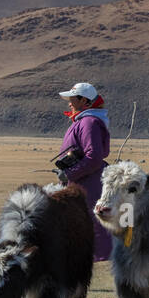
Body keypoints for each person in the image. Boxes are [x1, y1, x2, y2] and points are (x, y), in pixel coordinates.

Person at [56, 82, 113, 262]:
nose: (69, 103)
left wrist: (70, 173)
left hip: (88, 184)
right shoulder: (87, 120)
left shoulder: (89, 122)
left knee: (90, 223)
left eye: (72, 99)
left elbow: (94, 157)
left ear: (83, 101)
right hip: (84, 181)